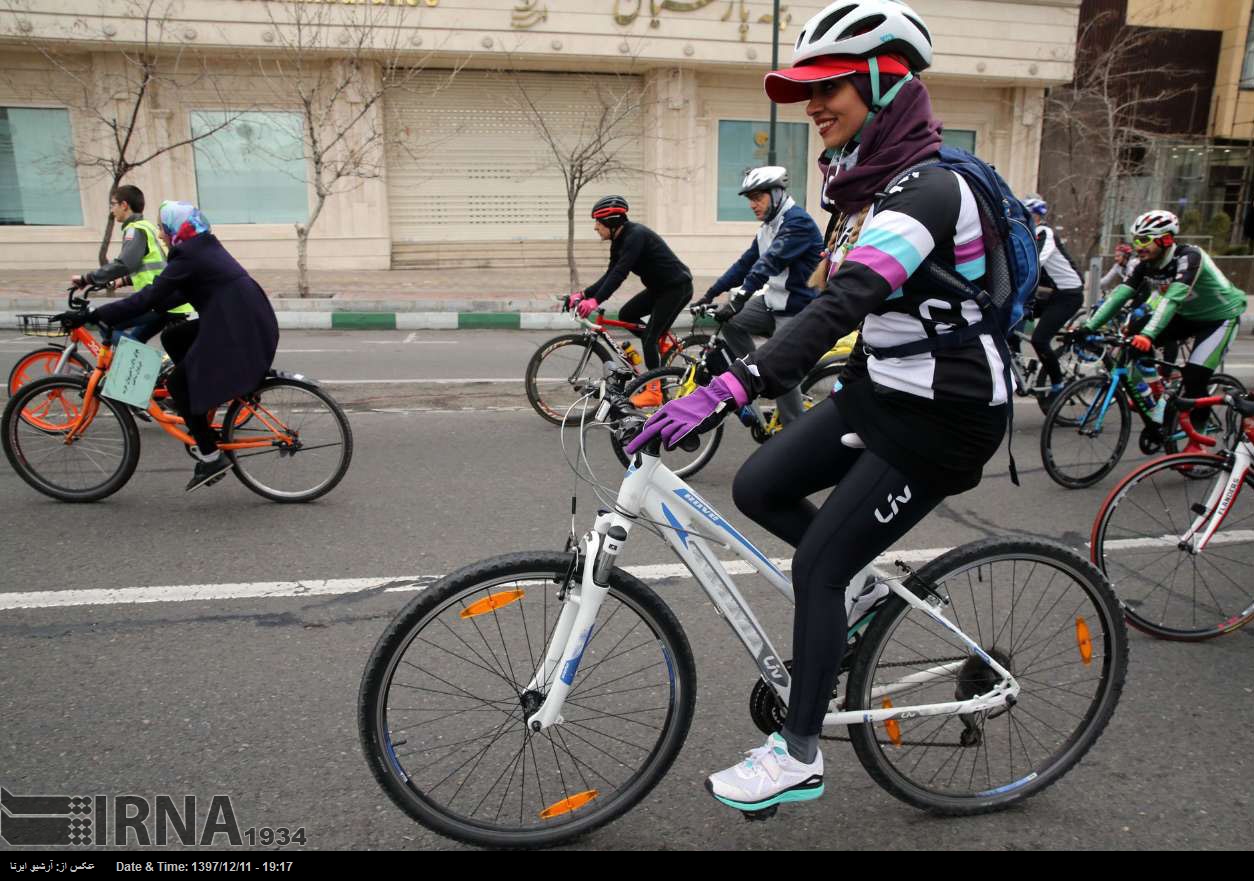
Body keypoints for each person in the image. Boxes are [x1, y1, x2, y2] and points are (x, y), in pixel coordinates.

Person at [627, 0, 1010, 815]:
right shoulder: (863, 191)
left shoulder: (929, 192)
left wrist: (733, 385)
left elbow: (847, 299)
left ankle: (798, 754)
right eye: (806, 90)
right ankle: (862, 590)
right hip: (883, 392)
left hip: (949, 417)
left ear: (883, 81)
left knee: (818, 566)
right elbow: (842, 309)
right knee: (758, 486)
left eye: (828, 85)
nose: (811, 105)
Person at [57, 202, 279, 492]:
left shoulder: (188, 255)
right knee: (174, 338)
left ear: (176, 228)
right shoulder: (201, 246)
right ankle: (202, 396)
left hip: (236, 325)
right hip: (242, 318)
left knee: (177, 383)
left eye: (163, 229)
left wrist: (96, 315)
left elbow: (151, 295)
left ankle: (211, 456)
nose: (161, 235)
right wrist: (129, 310)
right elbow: (169, 296)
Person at [1079, 209, 1247, 450]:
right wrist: (1088, 326)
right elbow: (1120, 295)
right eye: (1135, 240)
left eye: (1144, 240)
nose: (1139, 246)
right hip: (1187, 316)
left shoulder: (1189, 257)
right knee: (1131, 344)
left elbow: (1172, 300)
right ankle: (1157, 392)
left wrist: (1149, 335)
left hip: (1219, 319)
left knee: (1194, 377)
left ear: (1165, 239)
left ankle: (1198, 440)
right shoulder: (1145, 264)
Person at [695, 166, 822, 426]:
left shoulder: (798, 222)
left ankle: (792, 432)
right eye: (750, 199)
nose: (753, 204)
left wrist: (738, 299)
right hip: (771, 302)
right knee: (732, 323)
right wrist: (710, 293)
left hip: (797, 308)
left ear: (776, 194)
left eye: (757, 197)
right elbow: (744, 265)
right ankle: (753, 376)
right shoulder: (767, 227)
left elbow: (768, 264)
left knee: (781, 371)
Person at [567, 196, 693, 406]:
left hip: (676, 288)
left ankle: (655, 392)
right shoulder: (618, 241)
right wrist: (583, 294)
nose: (595, 227)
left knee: (649, 337)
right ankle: (654, 352)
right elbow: (611, 273)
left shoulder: (636, 235)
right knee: (627, 315)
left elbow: (620, 274)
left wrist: (595, 301)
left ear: (611, 221)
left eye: (598, 222)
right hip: (658, 289)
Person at [70, 184, 193, 343]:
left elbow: (124, 264)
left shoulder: (135, 229)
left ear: (124, 205)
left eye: (113, 204)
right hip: (167, 299)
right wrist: (122, 281)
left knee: (107, 324)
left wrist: (87, 278)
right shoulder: (149, 227)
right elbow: (155, 264)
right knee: (134, 341)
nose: (111, 210)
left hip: (156, 301)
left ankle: (143, 364)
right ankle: (145, 365)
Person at [1022, 195, 1086, 402]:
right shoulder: (1027, 235)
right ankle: (1020, 366)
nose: (1025, 220)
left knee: (1039, 339)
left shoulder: (1044, 233)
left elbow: (1036, 262)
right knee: (1010, 317)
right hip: (1049, 293)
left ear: (1037, 217)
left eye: (1029, 216)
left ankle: (1058, 384)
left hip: (1068, 295)